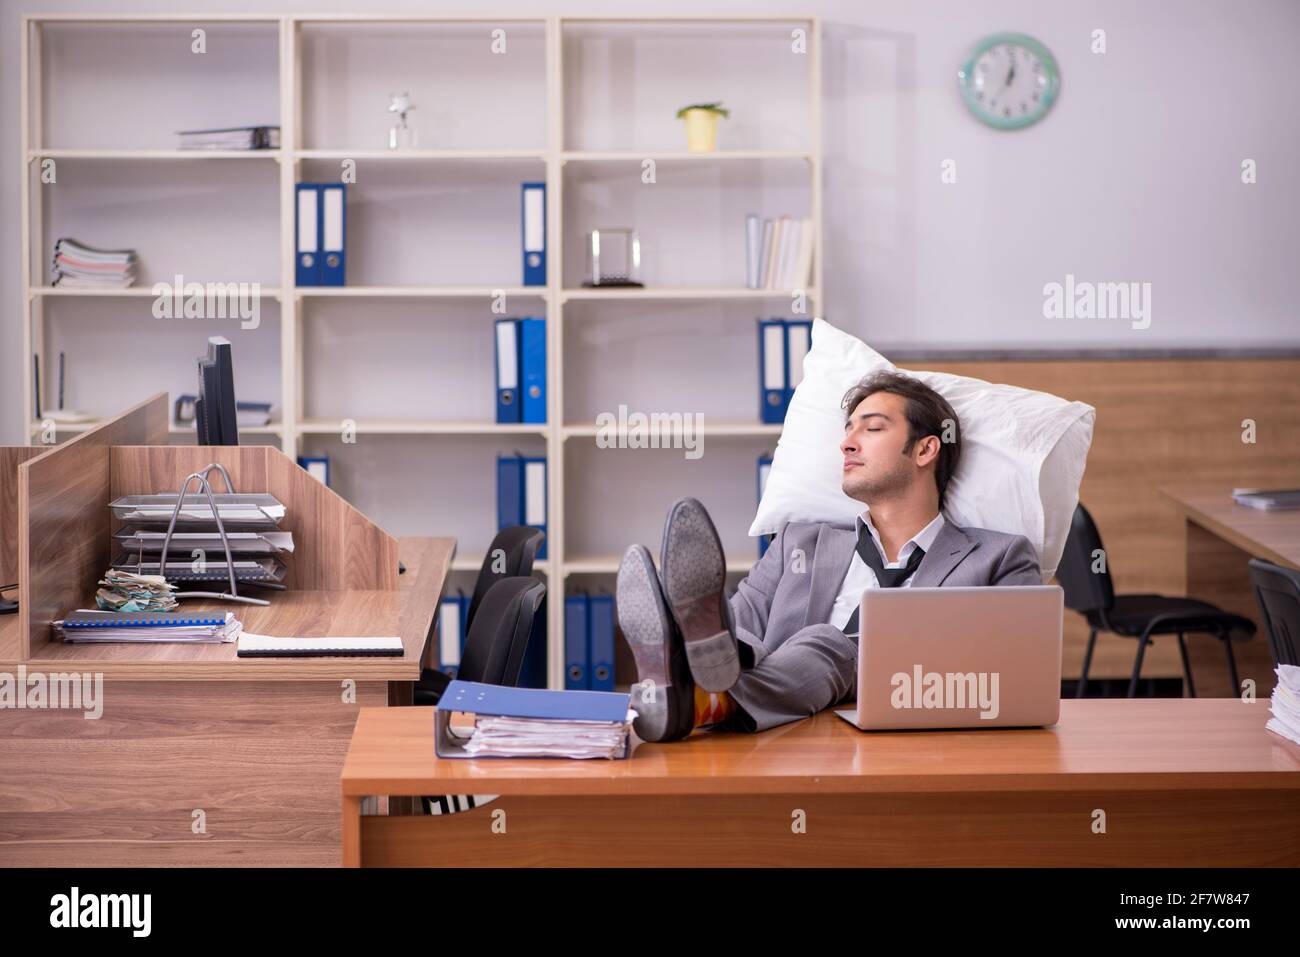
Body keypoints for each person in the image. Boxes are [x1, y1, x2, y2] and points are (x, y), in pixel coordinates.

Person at [617, 370, 1043, 741]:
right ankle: (690, 683)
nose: (846, 444)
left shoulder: (998, 557)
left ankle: (695, 700)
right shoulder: (799, 543)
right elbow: (735, 634)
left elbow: (1018, 681)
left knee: (828, 644)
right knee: (733, 645)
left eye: (871, 429)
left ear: (925, 450)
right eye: (847, 430)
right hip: (782, 740)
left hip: (910, 729)